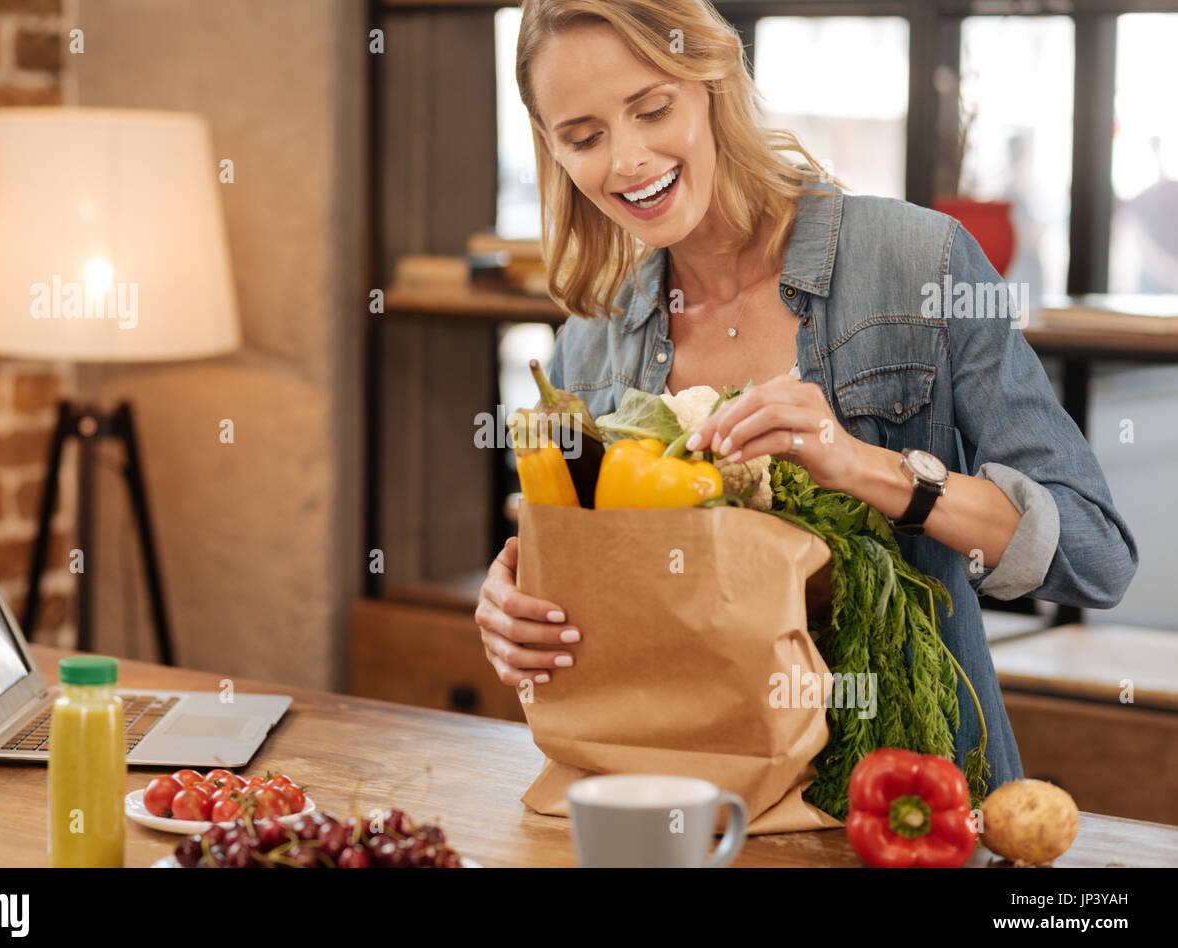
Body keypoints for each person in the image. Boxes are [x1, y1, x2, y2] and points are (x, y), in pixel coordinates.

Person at [474, 0, 1137, 793]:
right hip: (693, 803)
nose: (626, 160)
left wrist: (866, 467)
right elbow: (604, 601)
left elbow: (1095, 556)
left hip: (911, 808)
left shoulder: (919, 264)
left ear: (713, 82)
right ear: (552, 149)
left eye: (652, 109)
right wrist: (517, 611)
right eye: (582, 137)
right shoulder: (592, 339)